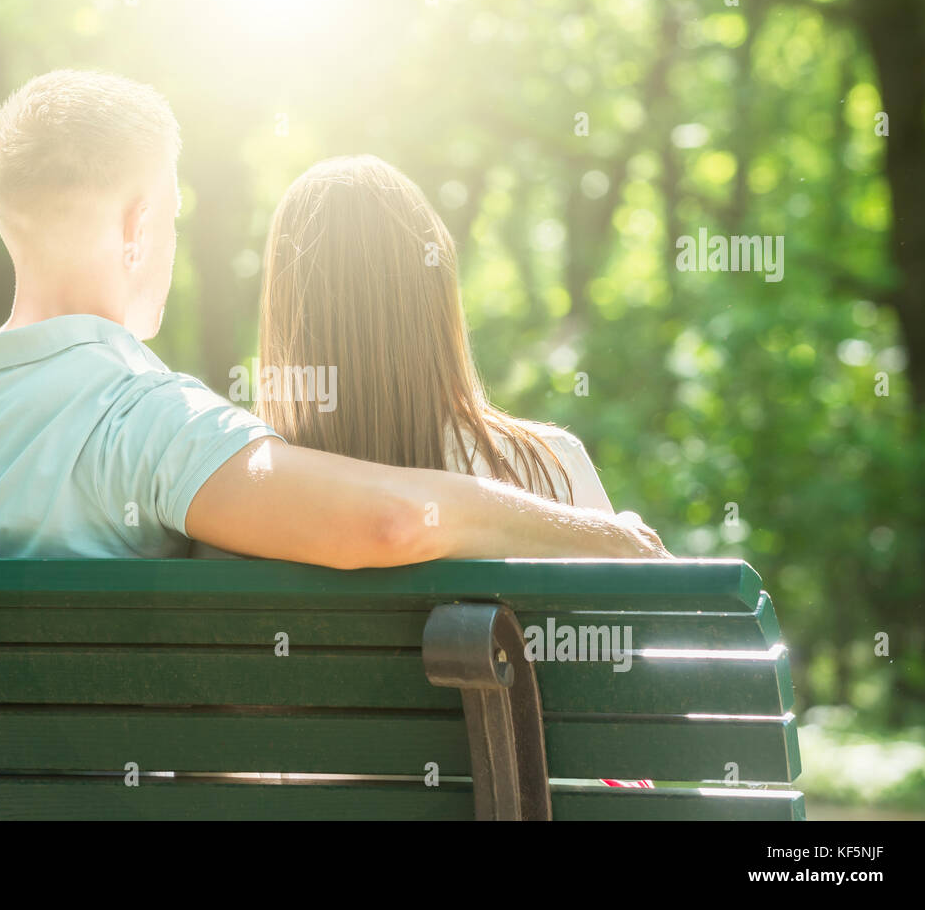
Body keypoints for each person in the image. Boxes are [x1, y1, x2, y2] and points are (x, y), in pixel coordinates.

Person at [0, 69, 669, 568]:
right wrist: (608, 536)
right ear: (139, 222)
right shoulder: (150, 425)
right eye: (176, 215)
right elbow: (391, 521)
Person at [247, 153, 655, 787]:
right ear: (437, 298)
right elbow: (627, 716)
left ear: (284, 307)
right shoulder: (548, 468)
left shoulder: (243, 496)